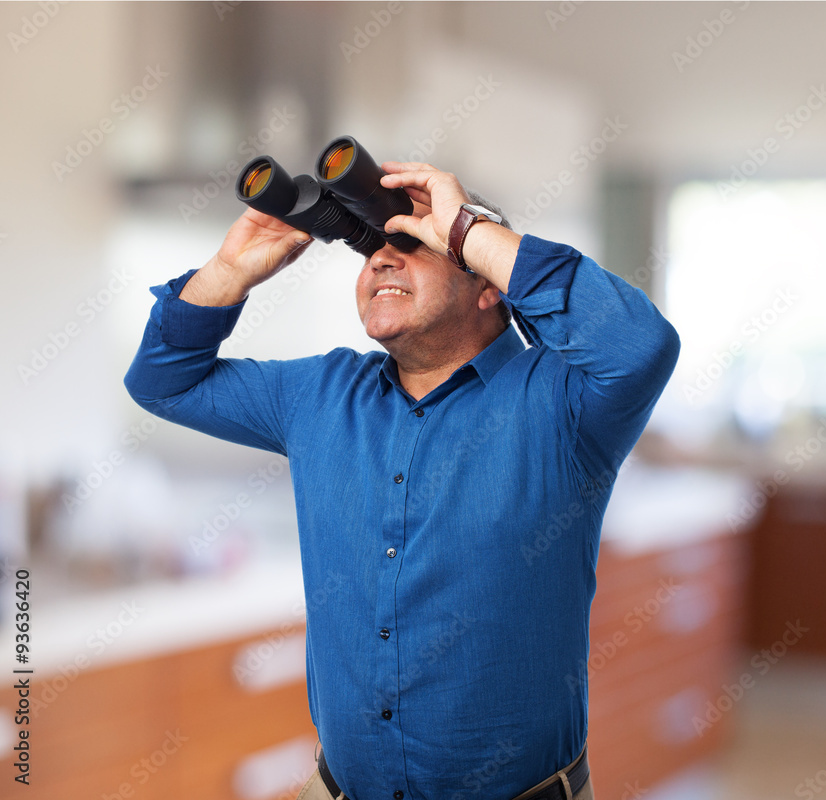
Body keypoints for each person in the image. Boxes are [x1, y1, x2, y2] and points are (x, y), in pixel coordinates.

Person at [124, 159, 680, 800]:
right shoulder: (321, 394)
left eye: (413, 245)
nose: (380, 262)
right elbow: (162, 382)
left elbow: (641, 345)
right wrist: (229, 272)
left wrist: (466, 226)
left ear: (488, 285)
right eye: (371, 252)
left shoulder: (564, 402)